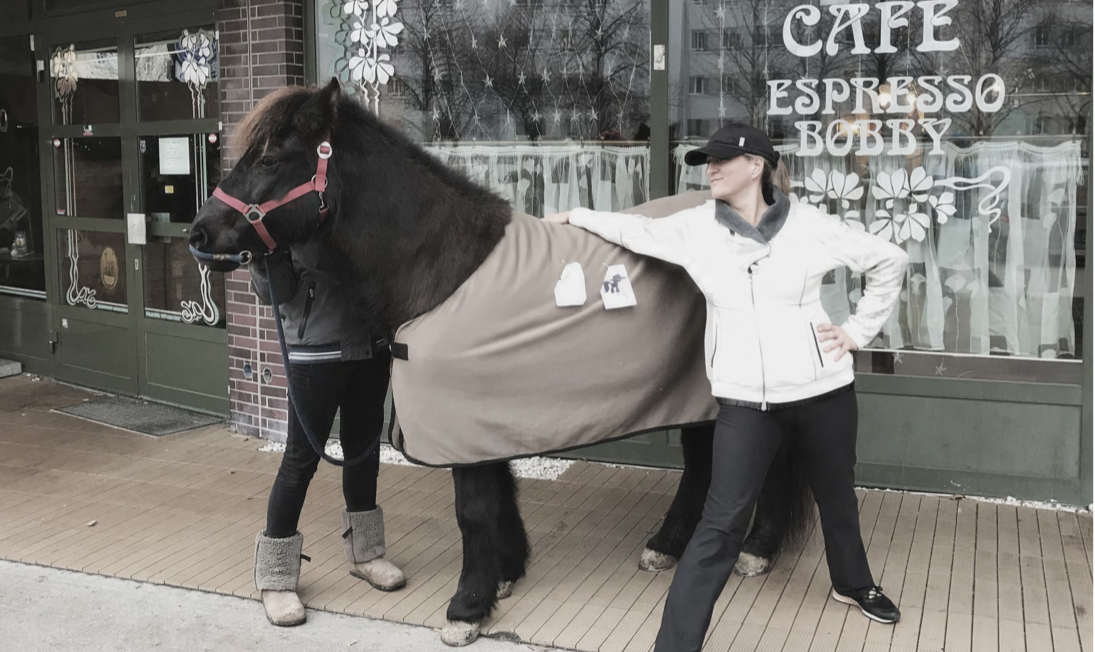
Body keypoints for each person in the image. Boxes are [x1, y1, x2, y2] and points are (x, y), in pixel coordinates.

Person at [545, 123, 908, 651]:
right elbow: (632, 230)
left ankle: (853, 584)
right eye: (705, 161)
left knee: (836, 495)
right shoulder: (696, 228)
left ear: (756, 166)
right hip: (746, 403)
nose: (709, 169)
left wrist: (855, 332)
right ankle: (675, 644)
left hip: (823, 391)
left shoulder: (808, 226)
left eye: (720, 160)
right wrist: (576, 216)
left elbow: (889, 261)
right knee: (720, 524)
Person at [248, 240, 405, 627]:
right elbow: (273, 290)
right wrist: (262, 253)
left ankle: (365, 553)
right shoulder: (289, 194)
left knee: (364, 451)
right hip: (313, 348)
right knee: (301, 460)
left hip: (370, 342)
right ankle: (275, 577)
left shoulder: (365, 189)